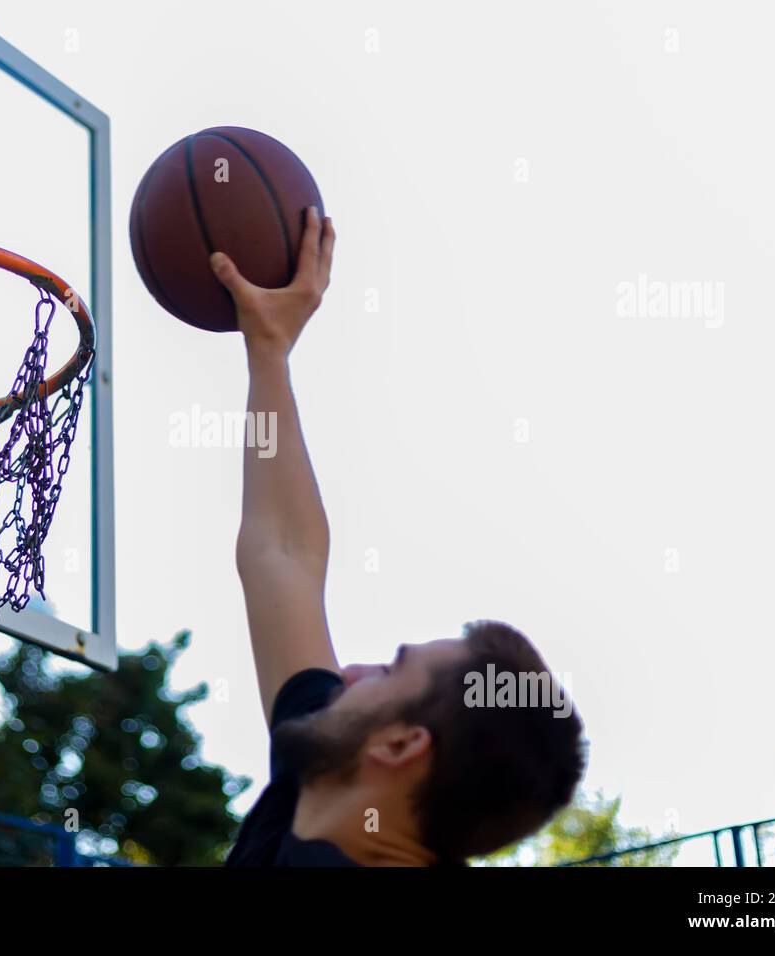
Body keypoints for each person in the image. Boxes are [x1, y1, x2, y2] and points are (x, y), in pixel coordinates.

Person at [213, 208, 587, 866]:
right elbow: (284, 556)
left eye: (389, 670)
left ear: (397, 746)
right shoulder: (317, 797)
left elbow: (287, 558)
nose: (350, 671)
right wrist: (268, 351)